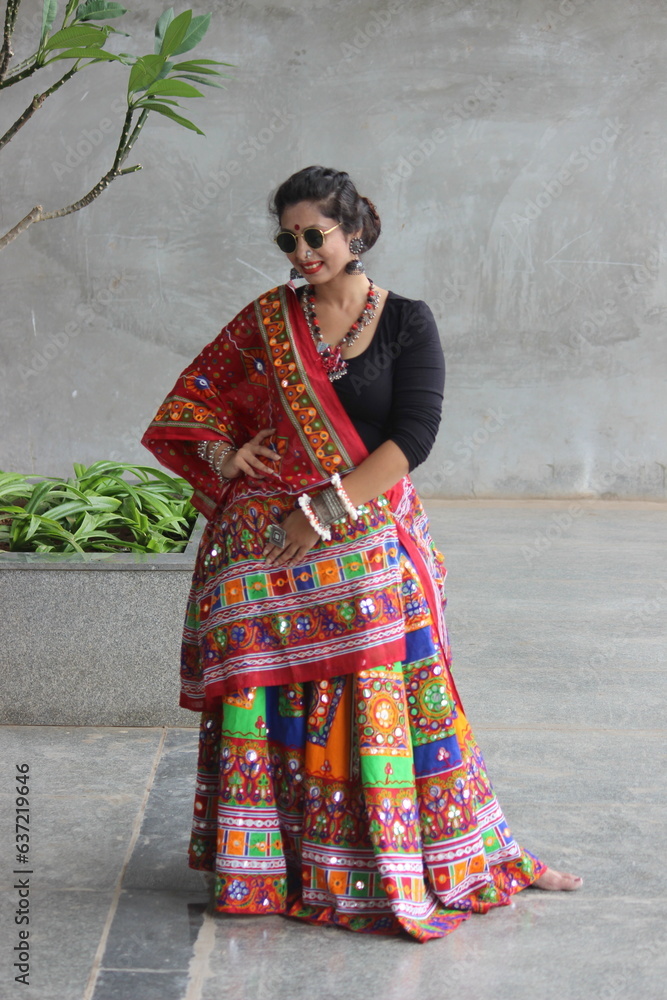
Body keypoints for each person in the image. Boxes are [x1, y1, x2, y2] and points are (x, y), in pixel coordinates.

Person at [141, 165, 582, 942]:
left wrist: (326, 507)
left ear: (355, 231)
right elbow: (193, 401)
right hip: (270, 524)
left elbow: (411, 439)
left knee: (377, 605)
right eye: (288, 238)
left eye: (316, 234)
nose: (302, 250)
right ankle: (264, 864)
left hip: (365, 515)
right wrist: (225, 455)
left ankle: (400, 855)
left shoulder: (408, 320)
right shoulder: (267, 321)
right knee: (241, 612)